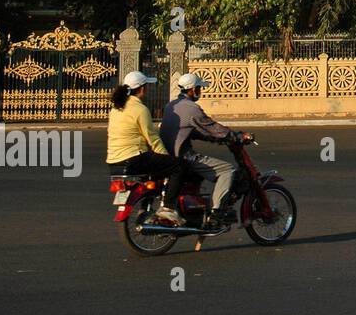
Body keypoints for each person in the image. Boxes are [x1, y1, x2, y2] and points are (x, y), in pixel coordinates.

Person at [160, 73, 250, 228]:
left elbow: (191, 131)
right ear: (193, 90)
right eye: (199, 88)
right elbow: (212, 127)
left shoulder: (171, 105)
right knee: (227, 170)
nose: (200, 91)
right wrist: (235, 136)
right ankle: (216, 212)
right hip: (184, 157)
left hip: (167, 155)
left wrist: (211, 138)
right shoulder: (192, 108)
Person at [105, 71, 182, 224]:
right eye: (145, 87)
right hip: (133, 159)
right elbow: (152, 137)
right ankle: (168, 207)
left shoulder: (116, 108)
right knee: (178, 167)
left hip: (114, 163)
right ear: (141, 89)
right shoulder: (140, 109)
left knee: (155, 171)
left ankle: (144, 208)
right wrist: (166, 156)